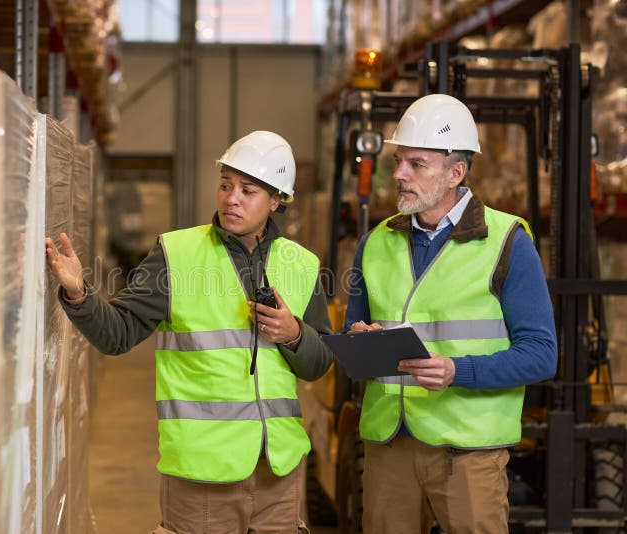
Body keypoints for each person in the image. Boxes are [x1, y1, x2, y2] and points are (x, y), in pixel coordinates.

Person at [45, 130, 333, 533]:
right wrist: (78, 292)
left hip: (278, 473)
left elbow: (319, 364)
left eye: (247, 190)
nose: (231, 198)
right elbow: (117, 334)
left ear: (276, 200)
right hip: (202, 474)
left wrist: (294, 335)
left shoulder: (302, 264)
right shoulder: (176, 255)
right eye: (225, 185)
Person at [344, 94, 557, 533]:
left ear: (455, 172)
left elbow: (540, 354)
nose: (399, 174)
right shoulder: (375, 242)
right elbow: (353, 326)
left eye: (416, 164)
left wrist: (456, 371)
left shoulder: (507, 241)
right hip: (389, 446)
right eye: (400, 161)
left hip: (467, 452)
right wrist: (358, 336)